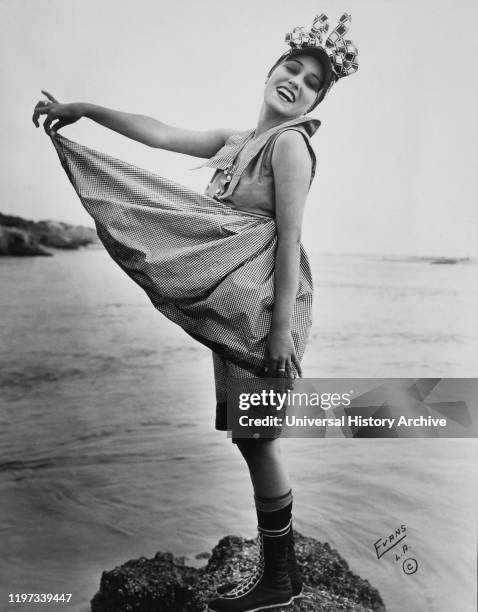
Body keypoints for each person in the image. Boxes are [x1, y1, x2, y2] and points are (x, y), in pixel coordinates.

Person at [32, 11, 358, 612]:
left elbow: (289, 240)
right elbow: (159, 132)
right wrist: (86, 109)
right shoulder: (240, 142)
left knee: (258, 439)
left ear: (318, 100)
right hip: (238, 315)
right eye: (292, 67)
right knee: (250, 436)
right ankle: (275, 573)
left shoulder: (290, 146)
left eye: (313, 82)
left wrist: (281, 332)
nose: (297, 82)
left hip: (264, 316)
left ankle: (279, 580)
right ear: (272, 69)